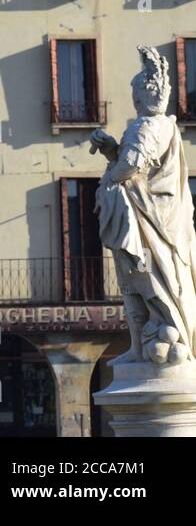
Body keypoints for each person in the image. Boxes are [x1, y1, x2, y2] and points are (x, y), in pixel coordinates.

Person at [90, 45, 196, 365]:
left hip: (147, 219)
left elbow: (131, 166)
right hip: (155, 216)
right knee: (142, 279)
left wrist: (109, 178)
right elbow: (133, 163)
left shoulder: (147, 127)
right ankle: (139, 349)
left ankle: (151, 343)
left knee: (145, 279)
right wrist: (112, 151)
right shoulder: (165, 125)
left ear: (138, 97)